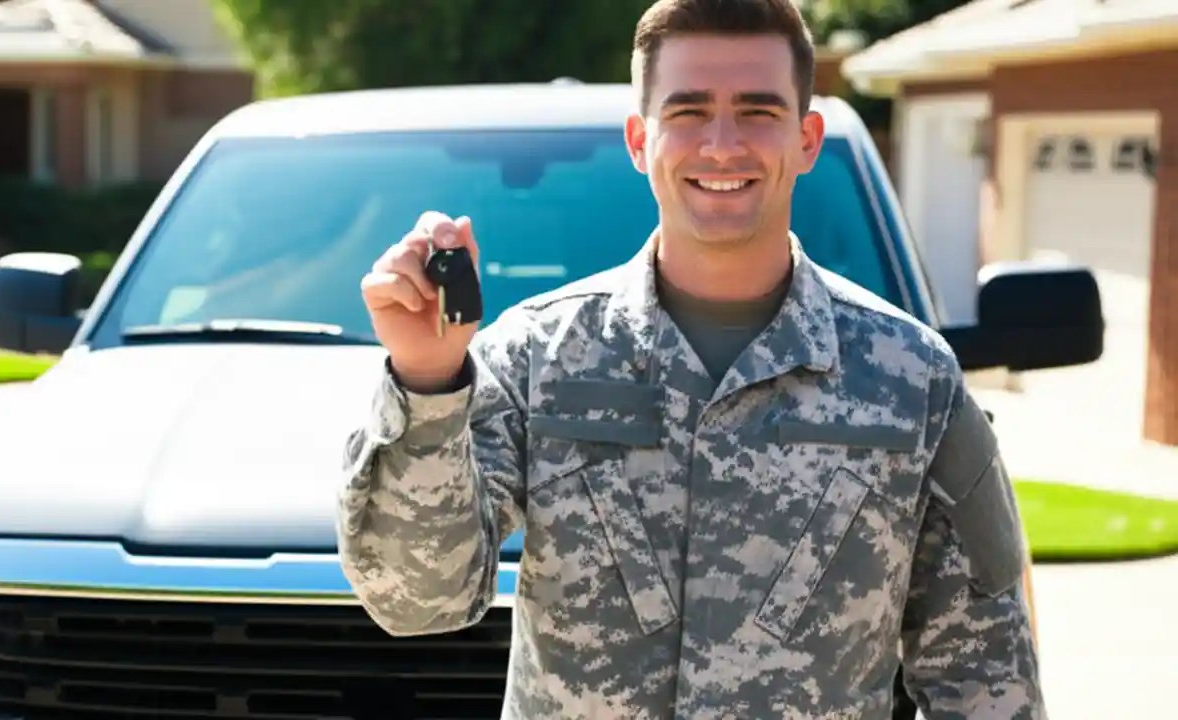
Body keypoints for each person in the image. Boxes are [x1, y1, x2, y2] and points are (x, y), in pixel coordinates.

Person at [337, 0, 1045, 717]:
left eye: (758, 111)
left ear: (806, 140)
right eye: (689, 111)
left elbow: (985, 672)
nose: (721, 144)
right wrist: (426, 384)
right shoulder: (536, 359)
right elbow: (419, 599)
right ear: (641, 141)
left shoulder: (912, 380)